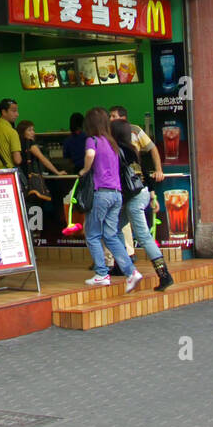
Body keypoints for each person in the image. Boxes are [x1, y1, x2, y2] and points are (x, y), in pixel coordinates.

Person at [77, 107, 140, 290]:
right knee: (111, 235)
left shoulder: (93, 140)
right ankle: (131, 271)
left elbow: (90, 155)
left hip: (101, 194)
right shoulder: (112, 142)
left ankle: (102, 273)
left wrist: (84, 170)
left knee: (93, 234)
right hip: (117, 195)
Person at [112, 118, 174, 291]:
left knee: (142, 236)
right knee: (115, 229)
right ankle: (126, 266)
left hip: (132, 199)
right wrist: (153, 197)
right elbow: (145, 174)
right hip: (141, 194)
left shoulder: (117, 152)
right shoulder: (132, 150)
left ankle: (164, 275)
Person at [18, 119, 65, 243]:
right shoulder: (30, 144)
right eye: (29, 130)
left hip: (23, 182)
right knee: (34, 210)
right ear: (23, 132)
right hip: (32, 183)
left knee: (26, 211)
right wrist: (57, 172)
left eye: (33, 129)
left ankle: (28, 243)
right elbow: (43, 159)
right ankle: (33, 244)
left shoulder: (18, 144)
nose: (33, 132)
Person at [0, 99, 22, 170]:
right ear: (4, 112)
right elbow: (17, 160)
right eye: (14, 111)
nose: (17, 114)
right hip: (7, 173)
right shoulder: (12, 132)